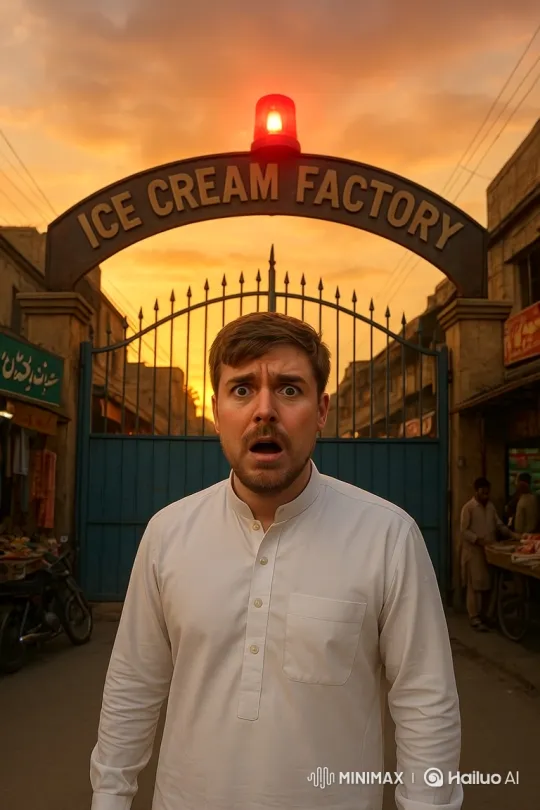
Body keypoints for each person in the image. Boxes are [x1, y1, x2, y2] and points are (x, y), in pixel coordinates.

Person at [90, 312, 463, 810]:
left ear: (322, 409)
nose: (264, 410)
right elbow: (133, 684)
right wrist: (109, 799)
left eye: (289, 390)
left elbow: (425, 702)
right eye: (242, 389)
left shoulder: (387, 537)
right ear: (217, 409)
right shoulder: (168, 534)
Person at [460, 477, 521, 632]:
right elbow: (464, 531)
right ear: (477, 491)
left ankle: (487, 615)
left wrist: (515, 536)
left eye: (488, 491)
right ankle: (474, 617)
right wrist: (478, 540)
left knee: (488, 585)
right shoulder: (469, 508)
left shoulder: (491, 507)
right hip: (473, 552)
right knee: (475, 586)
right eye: (483, 491)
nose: (486, 494)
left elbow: (499, 524)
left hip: (489, 551)